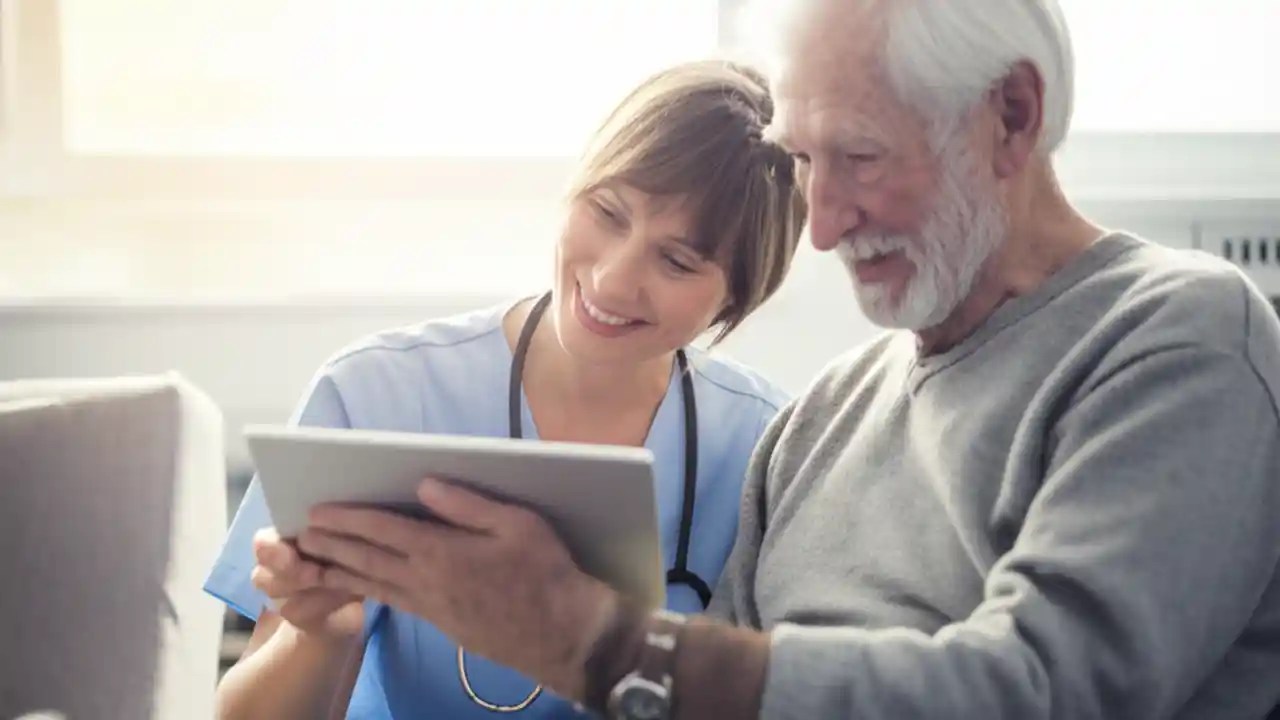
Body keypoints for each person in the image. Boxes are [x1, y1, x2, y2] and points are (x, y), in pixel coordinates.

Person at [275, 0, 1280, 718]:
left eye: (861, 157)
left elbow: (1040, 693)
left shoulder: (1174, 338)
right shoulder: (817, 425)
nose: (824, 224)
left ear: (1010, 116)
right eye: (803, 162)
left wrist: (594, 642)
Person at [205, 59, 806, 719]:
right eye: (607, 212)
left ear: (739, 296)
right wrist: (322, 633)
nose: (611, 279)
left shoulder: (770, 446)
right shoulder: (374, 395)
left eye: (676, 260)